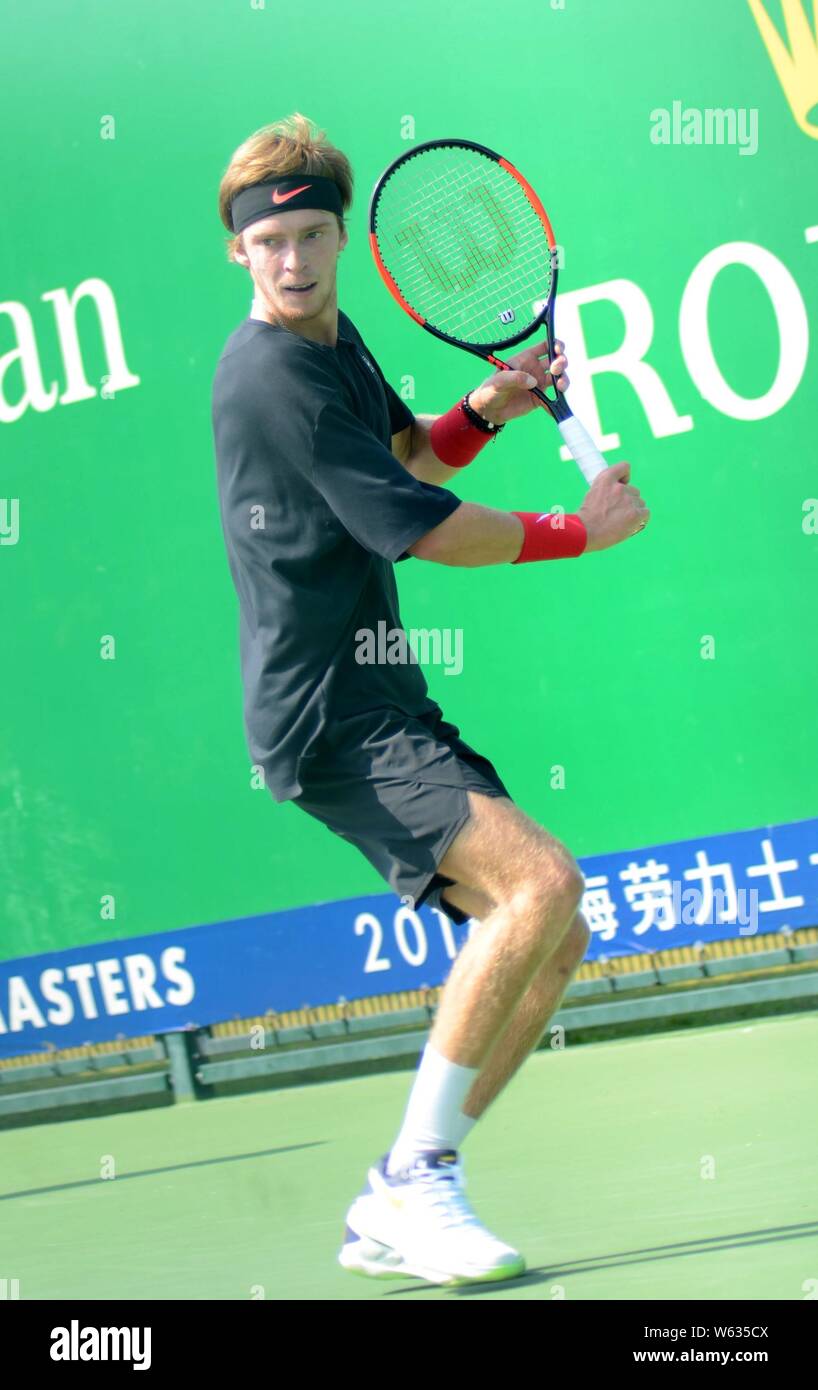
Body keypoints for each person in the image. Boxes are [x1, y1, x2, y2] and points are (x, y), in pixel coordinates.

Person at [211, 113, 650, 1288]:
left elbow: (407, 459)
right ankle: (414, 1183)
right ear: (237, 254)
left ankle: (401, 1189)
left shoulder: (332, 339)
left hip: (378, 698)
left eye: (310, 236)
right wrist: (576, 533)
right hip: (326, 718)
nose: (293, 262)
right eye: (270, 246)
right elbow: (418, 529)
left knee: (556, 931)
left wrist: (495, 407)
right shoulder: (268, 378)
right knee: (540, 881)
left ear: (336, 237)